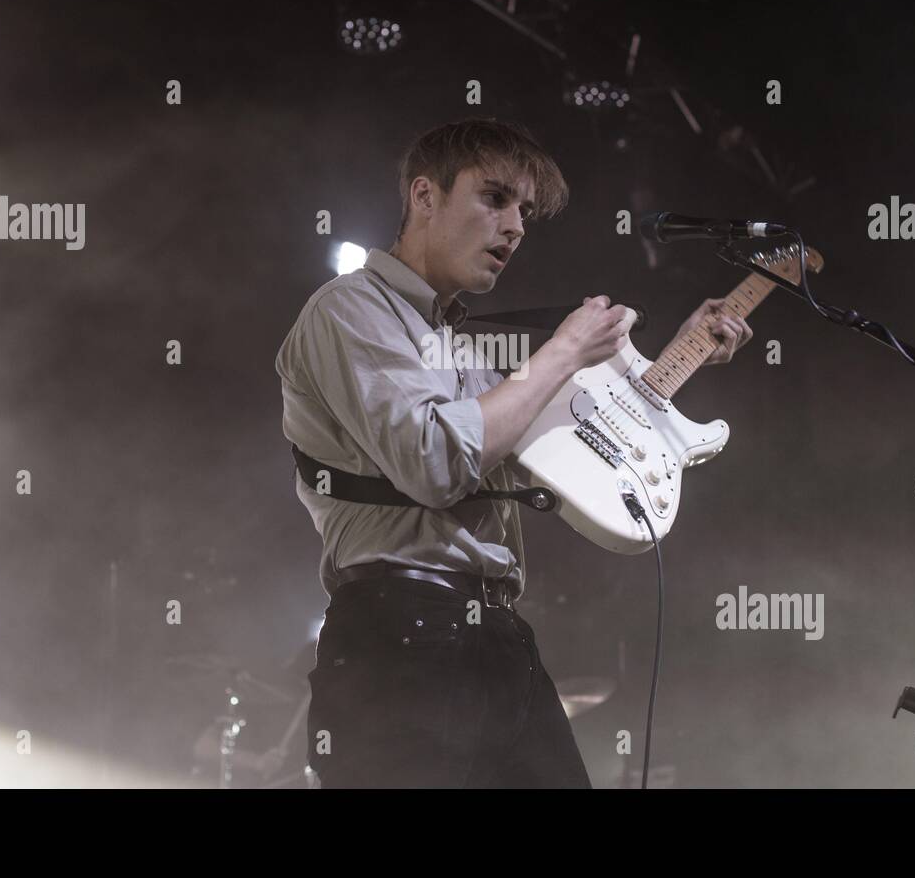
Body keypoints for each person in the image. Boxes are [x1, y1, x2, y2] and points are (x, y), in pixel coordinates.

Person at [274, 117, 750, 787]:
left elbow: (572, 456)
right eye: (494, 198)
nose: (516, 226)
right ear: (424, 196)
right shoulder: (349, 310)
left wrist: (683, 353)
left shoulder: (463, 353)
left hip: (495, 635)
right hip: (400, 631)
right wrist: (562, 351)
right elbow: (435, 464)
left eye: (524, 211)